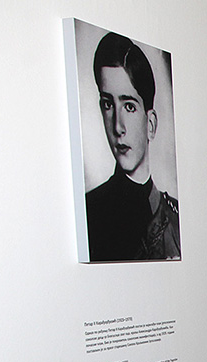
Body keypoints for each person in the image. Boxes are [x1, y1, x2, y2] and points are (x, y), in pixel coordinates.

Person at [85, 32, 181, 262]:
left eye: (129, 107)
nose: (118, 126)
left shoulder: (175, 216)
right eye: (108, 104)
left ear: (151, 124)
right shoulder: (90, 212)